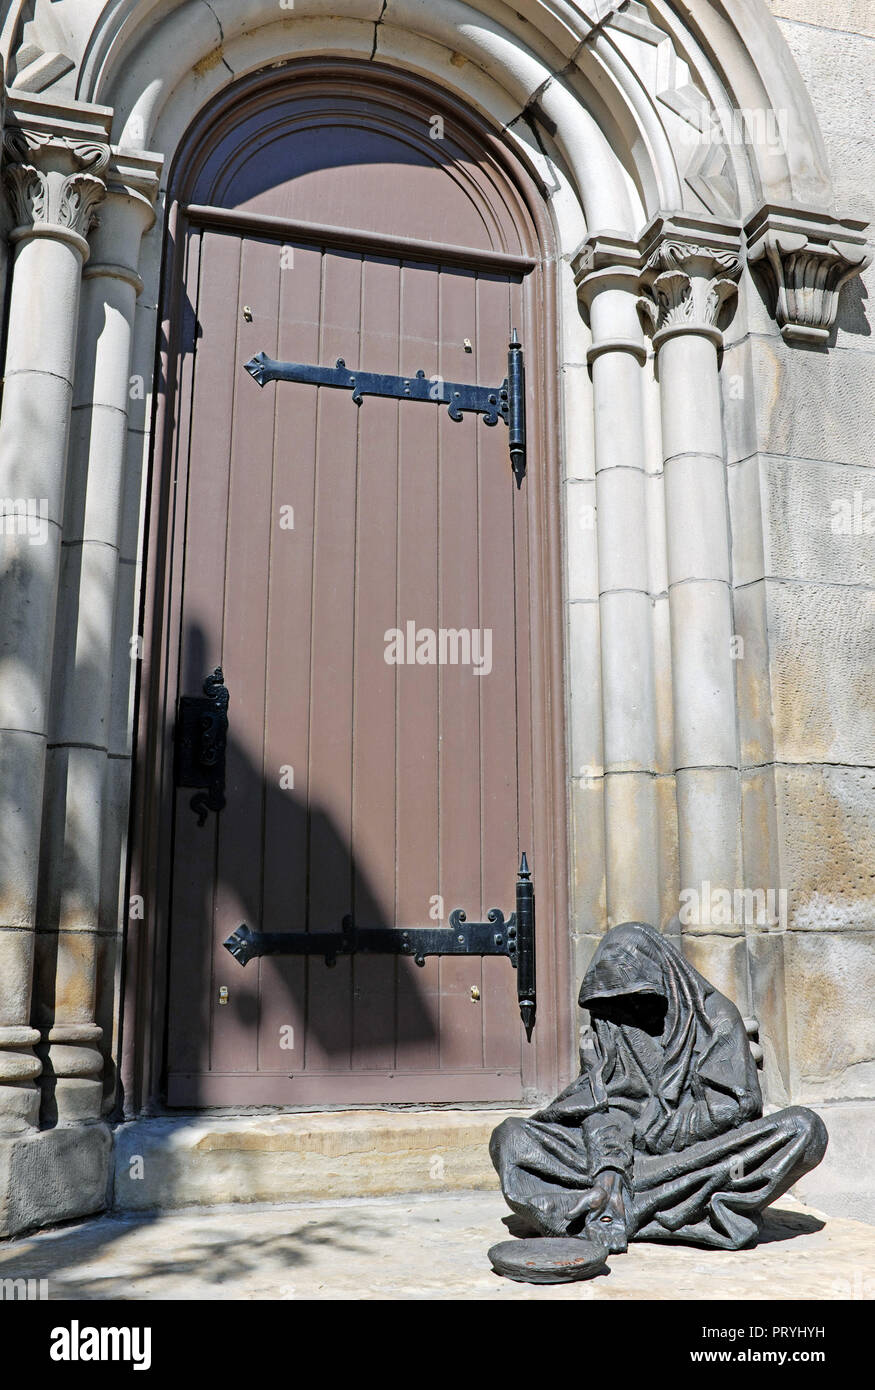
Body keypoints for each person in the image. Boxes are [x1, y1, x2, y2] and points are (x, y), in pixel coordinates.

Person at [490, 922, 827, 1252]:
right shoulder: (613, 1019)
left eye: (641, 997)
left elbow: (735, 1109)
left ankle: (624, 1209)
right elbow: (604, 1109)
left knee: (803, 1129)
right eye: (621, 1000)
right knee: (512, 1138)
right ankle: (619, 1201)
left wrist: (655, 1130)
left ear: (666, 980)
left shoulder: (717, 1019)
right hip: (630, 1161)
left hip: (699, 1159)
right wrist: (610, 1171)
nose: (631, 1010)